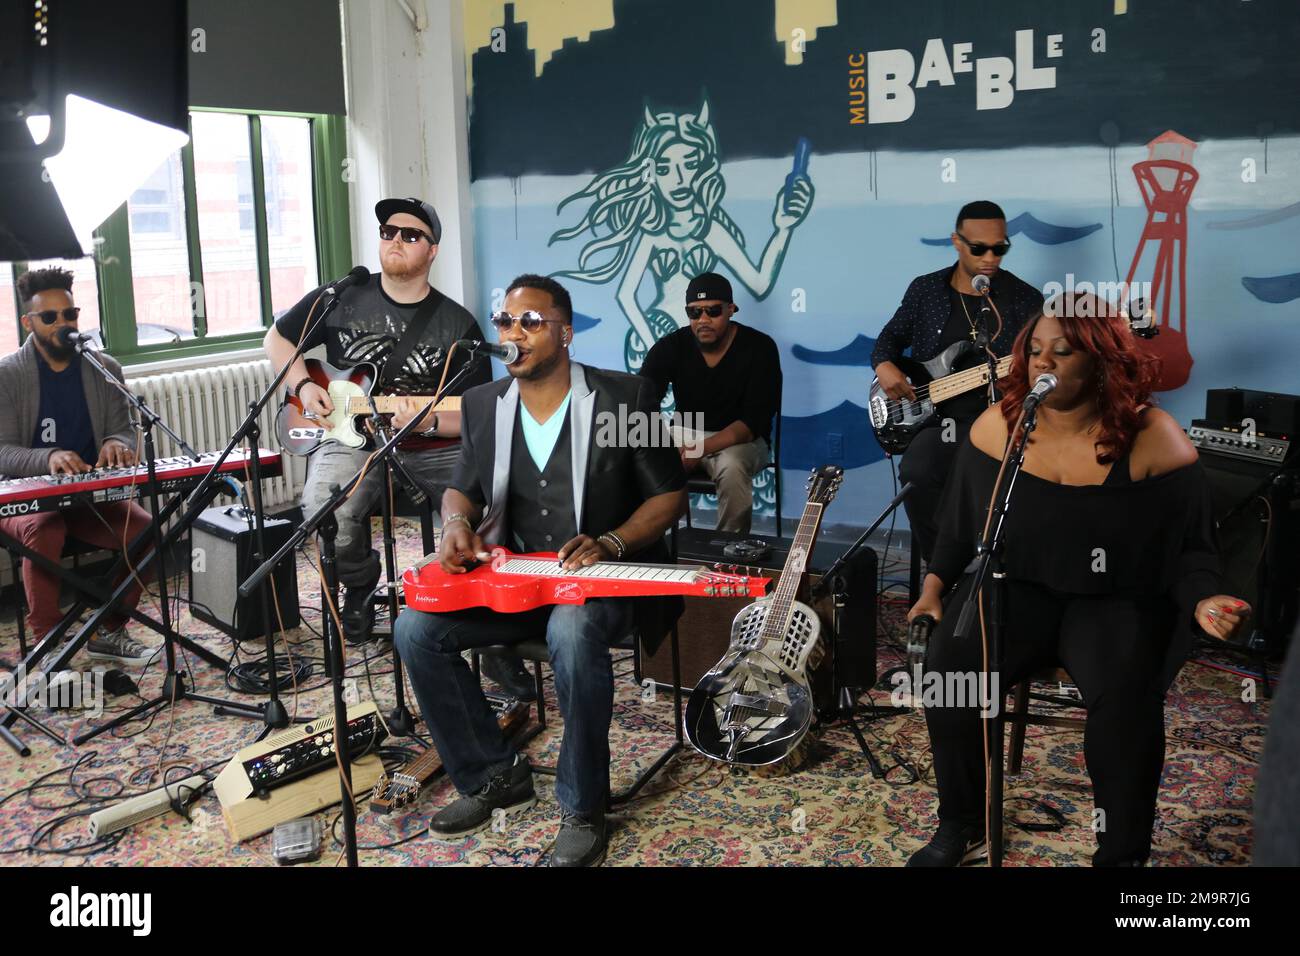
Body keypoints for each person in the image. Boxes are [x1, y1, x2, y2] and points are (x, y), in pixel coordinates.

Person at [906, 293, 1250, 867]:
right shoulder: (1003, 426)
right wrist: (934, 590)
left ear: (1101, 359)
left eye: (1062, 352)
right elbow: (961, 526)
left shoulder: (1153, 435)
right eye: (1034, 350)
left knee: (1125, 706)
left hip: (1115, 600)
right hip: (1020, 589)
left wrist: (1205, 600)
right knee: (949, 672)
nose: (1044, 363)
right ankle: (961, 825)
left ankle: (1121, 855)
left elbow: (1192, 549)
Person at [393, 274, 686, 867]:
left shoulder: (628, 397)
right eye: (505, 321)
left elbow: (670, 497)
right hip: (514, 584)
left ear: (567, 332)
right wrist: (455, 526)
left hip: (605, 580)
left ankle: (582, 807)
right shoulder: (483, 404)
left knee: (571, 634)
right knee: (414, 630)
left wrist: (612, 540)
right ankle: (493, 775)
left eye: (531, 321)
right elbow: (461, 492)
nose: (513, 332)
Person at [264, 197, 495, 648]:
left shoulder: (458, 324)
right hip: (351, 437)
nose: (395, 241)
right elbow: (278, 337)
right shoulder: (341, 296)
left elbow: (474, 413)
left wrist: (427, 423)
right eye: (388, 231)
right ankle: (360, 583)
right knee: (324, 509)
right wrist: (302, 387)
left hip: (429, 447)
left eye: (411, 235)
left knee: (487, 506)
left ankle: (483, 616)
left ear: (432, 251)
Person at [550, 99, 813, 371]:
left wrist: (784, 228)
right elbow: (626, 295)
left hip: (702, 348)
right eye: (664, 169)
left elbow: (759, 283)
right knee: (658, 415)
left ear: (702, 167)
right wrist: (652, 345)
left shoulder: (710, 230)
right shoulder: (652, 233)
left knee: (701, 414)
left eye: (688, 164)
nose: (678, 178)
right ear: (652, 174)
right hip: (657, 337)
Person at [872, 200, 1043, 563]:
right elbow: (889, 338)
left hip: (1001, 422)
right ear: (957, 242)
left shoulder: (1025, 299)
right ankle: (944, 574)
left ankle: (999, 574)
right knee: (917, 472)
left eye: (1001, 248)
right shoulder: (926, 290)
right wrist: (883, 364)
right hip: (936, 421)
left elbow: (1043, 366)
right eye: (979, 248)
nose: (991, 257)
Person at [0, 267, 155, 665]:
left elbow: (124, 430)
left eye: (70, 314)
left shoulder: (104, 369)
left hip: (89, 497)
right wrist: (48, 458)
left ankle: (110, 629)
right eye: (50, 317)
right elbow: (1, 452)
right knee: (45, 529)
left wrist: (115, 445)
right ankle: (49, 643)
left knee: (144, 530)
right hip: (25, 502)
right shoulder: (7, 376)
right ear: (28, 322)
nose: (63, 324)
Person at [639, 273, 780, 534]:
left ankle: (727, 551)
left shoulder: (760, 348)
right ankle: (646, 543)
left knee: (732, 466)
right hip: (685, 432)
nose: (703, 320)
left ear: (731, 310)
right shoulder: (672, 346)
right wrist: (654, 443)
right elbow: (642, 401)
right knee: (634, 452)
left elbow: (752, 423)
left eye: (713, 311)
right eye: (695, 313)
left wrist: (698, 450)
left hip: (742, 441)